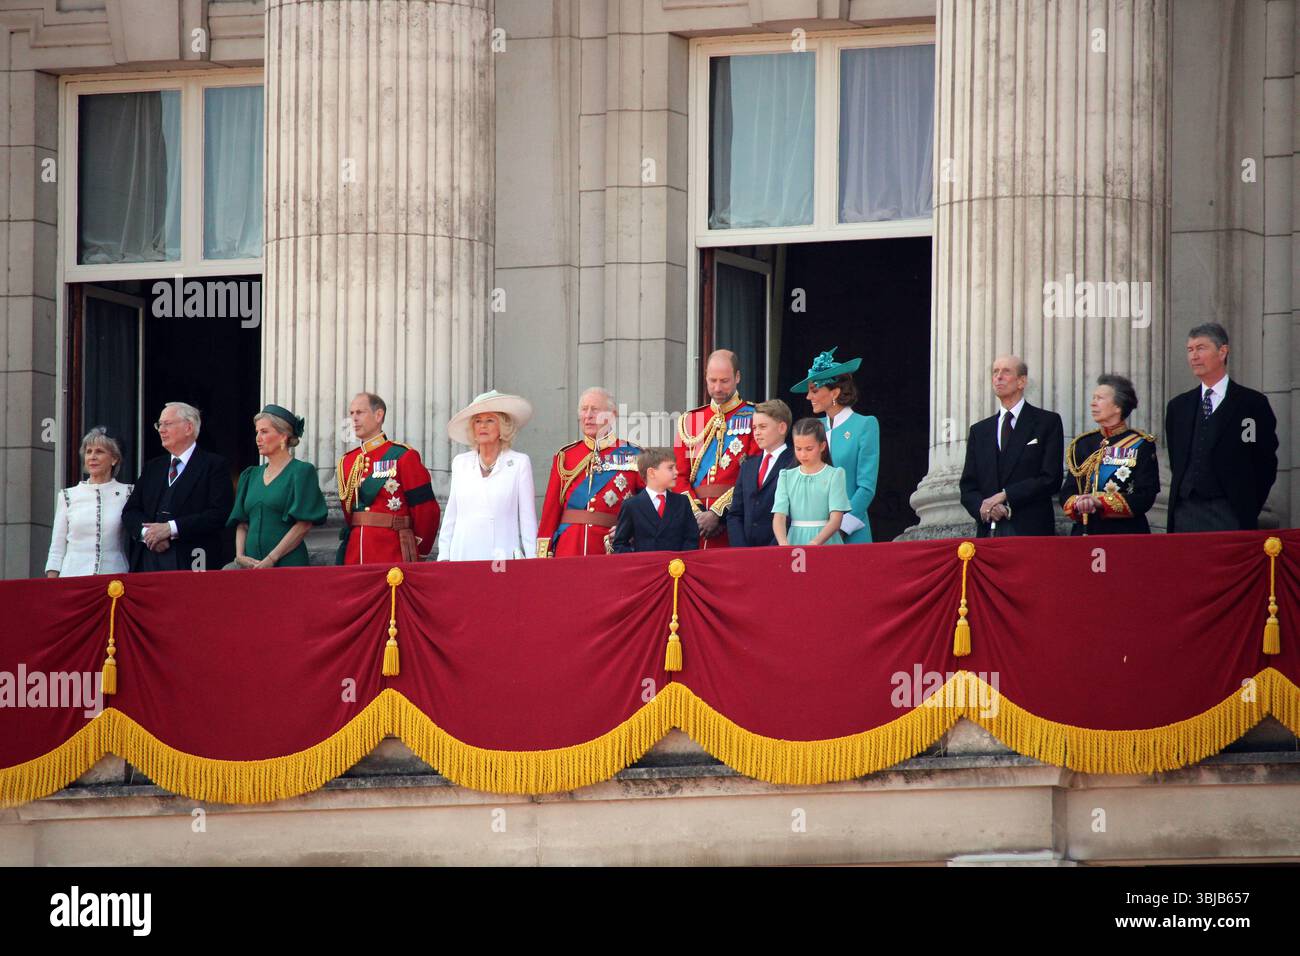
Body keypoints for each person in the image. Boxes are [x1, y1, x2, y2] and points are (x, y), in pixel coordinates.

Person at [1165, 322, 1278, 532]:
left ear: (1223, 351)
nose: (1193, 356)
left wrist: (1246, 505)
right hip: (1185, 512)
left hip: (1229, 513)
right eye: (1190, 350)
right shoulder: (1178, 407)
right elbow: (1177, 459)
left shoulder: (1250, 404)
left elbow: (1264, 461)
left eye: (1201, 348)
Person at [958, 356, 1064, 537]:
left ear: (1021, 381)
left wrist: (1006, 496)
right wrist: (986, 509)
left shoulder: (1047, 422)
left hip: (1031, 529)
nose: (998, 377)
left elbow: (1051, 478)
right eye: (995, 372)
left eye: (1006, 371)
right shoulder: (979, 430)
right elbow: (968, 486)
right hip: (989, 531)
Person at [122, 402, 235, 571]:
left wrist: (171, 529)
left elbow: (219, 514)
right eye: (159, 425)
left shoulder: (214, 465)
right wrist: (149, 535)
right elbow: (130, 512)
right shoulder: (153, 467)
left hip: (193, 559)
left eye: (167, 424)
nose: (161, 430)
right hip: (149, 560)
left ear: (188, 427)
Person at [536, 387, 643, 557]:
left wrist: (632, 529)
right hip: (568, 549)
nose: (588, 415)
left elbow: (650, 507)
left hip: (610, 551)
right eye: (584, 409)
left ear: (612, 415)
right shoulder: (565, 456)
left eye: (595, 409)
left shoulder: (634, 455)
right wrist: (543, 554)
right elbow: (551, 511)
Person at [336, 392, 440, 564]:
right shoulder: (347, 462)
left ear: (378, 415)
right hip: (355, 553)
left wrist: (418, 551)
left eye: (360, 412)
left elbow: (426, 510)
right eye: (351, 413)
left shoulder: (403, 456)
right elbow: (350, 514)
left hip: (392, 552)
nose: (354, 418)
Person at [672, 349, 760, 549]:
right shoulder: (690, 421)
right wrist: (698, 514)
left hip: (734, 521)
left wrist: (718, 513)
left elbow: (755, 474)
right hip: (695, 525)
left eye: (724, 381)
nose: (717, 388)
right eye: (712, 381)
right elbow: (679, 477)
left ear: (737, 377)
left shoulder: (755, 416)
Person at [790, 347, 879, 543]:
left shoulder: (865, 425)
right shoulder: (813, 428)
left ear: (835, 392)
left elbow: (866, 487)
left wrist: (840, 528)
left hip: (850, 533)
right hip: (812, 533)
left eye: (814, 391)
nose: (808, 397)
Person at [438, 389, 538, 561]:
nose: (482, 426)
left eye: (490, 420)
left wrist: (533, 560)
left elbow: (528, 518)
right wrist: (444, 556)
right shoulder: (460, 463)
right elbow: (451, 515)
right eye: (478, 421)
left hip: (503, 556)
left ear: (503, 427)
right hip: (463, 556)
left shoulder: (519, 463)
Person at [226, 405, 329, 567]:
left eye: (264, 432)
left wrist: (272, 559)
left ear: (283, 436)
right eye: (257, 432)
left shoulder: (301, 472)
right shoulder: (250, 475)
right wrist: (239, 556)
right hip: (251, 567)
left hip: (287, 564)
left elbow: (303, 525)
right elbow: (243, 523)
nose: (258, 438)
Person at [1060, 375, 1159, 535]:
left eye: (1099, 398)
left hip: (1125, 533)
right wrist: (1079, 502)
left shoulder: (1142, 444)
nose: (1093, 403)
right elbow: (1068, 491)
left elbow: (1145, 497)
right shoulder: (1083, 443)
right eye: (1093, 398)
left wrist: (1099, 501)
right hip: (1087, 530)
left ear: (1117, 407)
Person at [45, 427, 133, 577]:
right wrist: (52, 584)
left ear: (114, 459)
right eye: (88, 452)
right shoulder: (68, 496)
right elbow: (57, 547)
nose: (92, 457)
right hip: (72, 577)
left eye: (99, 451)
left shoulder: (127, 493)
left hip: (114, 578)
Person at [727, 399, 796, 548]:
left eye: (763, 427)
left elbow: (793, 513)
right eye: (754, 427)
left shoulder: (795, 463)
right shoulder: (748, 465)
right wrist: (742, 549)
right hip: (746, 554)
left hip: (778, 549)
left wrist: (771, 549)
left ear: (782, 428)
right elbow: (735, 513)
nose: (756, 433)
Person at [772, 418, 851, 547]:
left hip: (826, 541)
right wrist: (783, 543)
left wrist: (815, 543)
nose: (803, 455)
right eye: (798, 449)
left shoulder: (835, 474)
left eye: (809, 449)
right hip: (794, 540)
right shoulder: (786, 476)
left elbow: (836, 519)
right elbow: (779, 516)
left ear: (822, 446)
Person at [611, 448, 699, 554]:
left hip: (676, 567)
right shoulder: (631, 505)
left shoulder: (682, 502)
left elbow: (691, 538)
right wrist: (638, 561)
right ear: (651, 473)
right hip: (646, 567)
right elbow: (620, 544)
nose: (676, 472)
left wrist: (682, 560)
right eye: (670, 468)